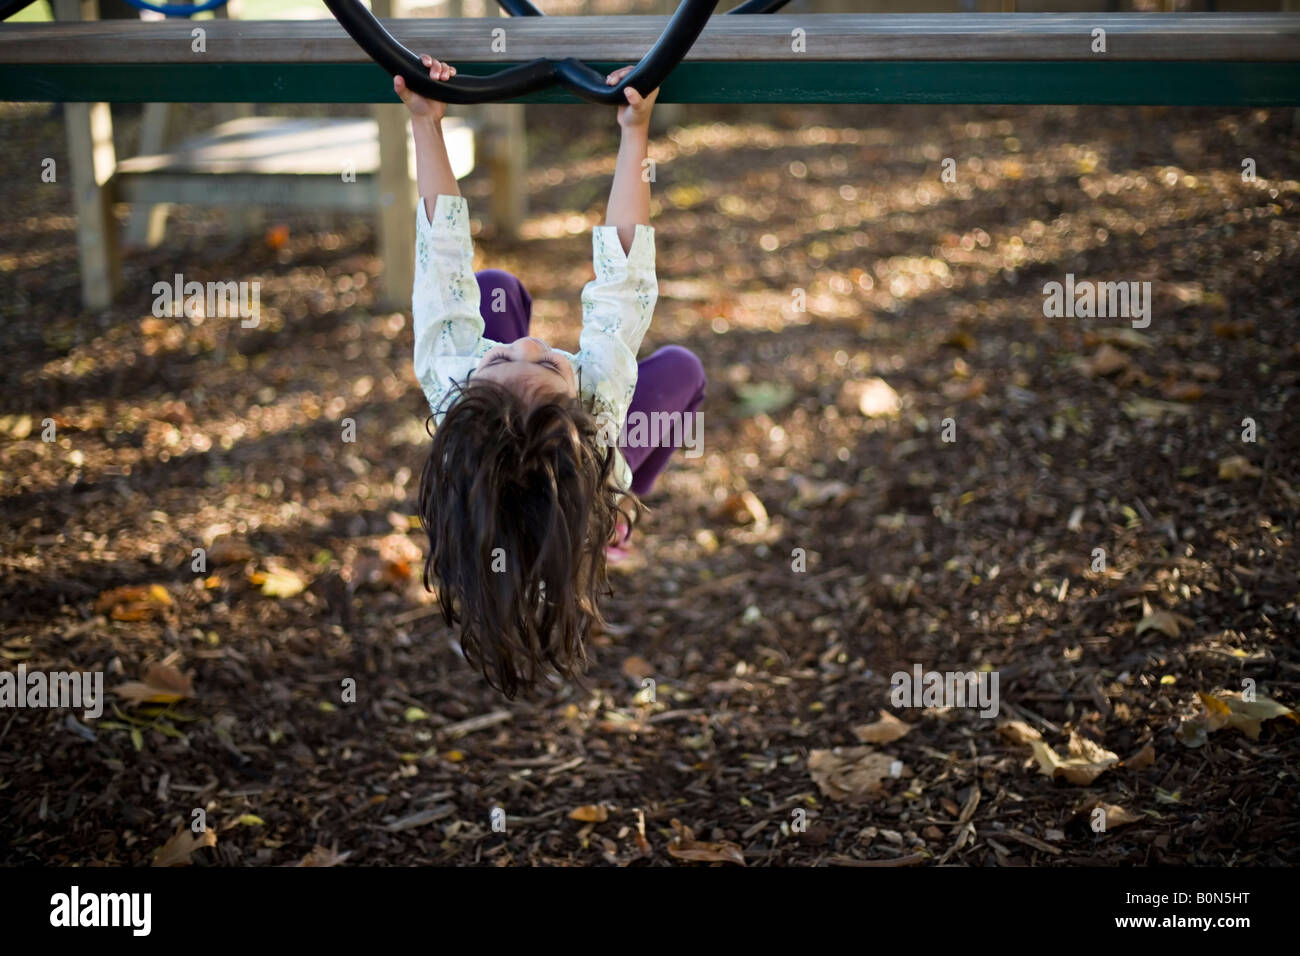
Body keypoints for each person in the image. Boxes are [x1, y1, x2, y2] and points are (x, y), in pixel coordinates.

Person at [399, 56, 706, 698]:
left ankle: (596, 525)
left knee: (490, 289)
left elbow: (441, 260)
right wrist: (633, 133)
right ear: (580, 409)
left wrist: (425, 125)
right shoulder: (597, 407)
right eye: (545, 364)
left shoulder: (451, 372)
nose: (532, 343)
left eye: (505, 356)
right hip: (589, 473)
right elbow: (625, 278)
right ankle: (611, 521)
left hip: (525, 477)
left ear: (467, 389)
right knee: (682, 370)